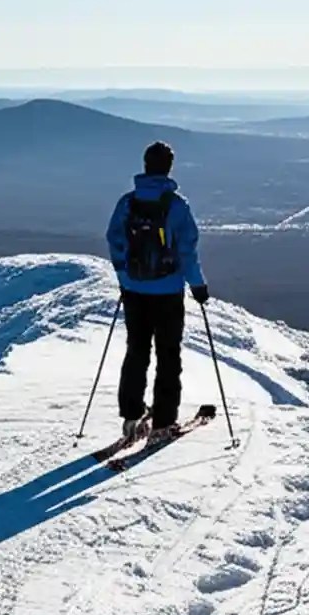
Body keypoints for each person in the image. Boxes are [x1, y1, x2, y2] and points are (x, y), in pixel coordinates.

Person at [105, 141, 209, 441]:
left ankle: (131, 417)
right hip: (168, 292)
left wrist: (125, 276)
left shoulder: (127, 203)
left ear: (146, 165)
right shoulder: (176, 205)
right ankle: (163, 422)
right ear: (168, 167)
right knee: (168, 354)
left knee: (136, 351)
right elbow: (187, 250)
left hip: (134, 290)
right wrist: (198, 285)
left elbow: (114, 240)